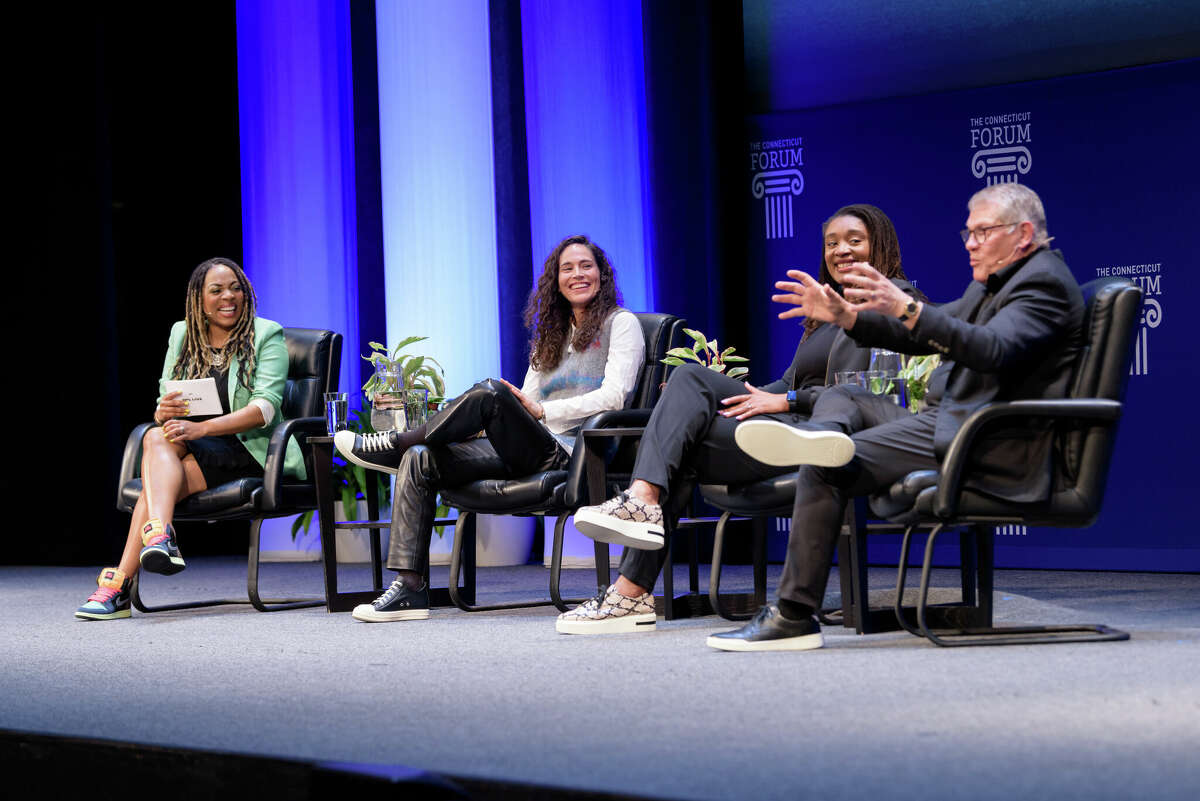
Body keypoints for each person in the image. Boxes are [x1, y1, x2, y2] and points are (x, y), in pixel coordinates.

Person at [709, 182, 1083, 651]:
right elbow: (926, 333)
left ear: (1023, 234)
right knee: (844, 397)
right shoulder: (994, 283)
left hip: (983, 436)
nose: (970, 243)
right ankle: (821, 434)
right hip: (950, 421)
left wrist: (907, 308)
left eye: (982, 233)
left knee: (827, 465)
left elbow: (992, 349)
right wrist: (849, 318)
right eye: (968, 233)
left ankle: (792, 616)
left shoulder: (1042, 283)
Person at [560, 204, 924, 634]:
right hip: (788, 428)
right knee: (688, 397)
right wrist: (727, 400)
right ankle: (638, 538)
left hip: (833, 436)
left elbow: (868, 392)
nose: (840, 250)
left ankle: (631, 578)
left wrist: (787, 400)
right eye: (831, 243)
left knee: (688, 413)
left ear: (879, 245)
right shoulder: (825, 311)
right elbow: (786, 383)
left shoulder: (897, 303)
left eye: (854, 241)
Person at [335, 234, 645, 622]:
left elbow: (614, 399)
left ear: (602, 274)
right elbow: (526, 402)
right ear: (556, 280)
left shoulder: (621, 323)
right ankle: (409, 589)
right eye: (567, 268)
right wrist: (484, 427)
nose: (578, 274)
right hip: (528, 447)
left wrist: (543, 411)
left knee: (492, 392)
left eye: (586, 266)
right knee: (421, 456)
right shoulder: (550, 335)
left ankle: (393, 444)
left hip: (573, 453)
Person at [76, 258, 304, 620]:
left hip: (250, 447)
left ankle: (119, 585)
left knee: (154, 484)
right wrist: (164, 411)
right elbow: (164, 399)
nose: (229, 296)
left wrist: (201, 429)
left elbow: (265, 409)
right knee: (156, 436)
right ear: (199, 299)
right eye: (217, 290)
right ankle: (159, 537)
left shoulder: (266, 334)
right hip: (193, 444)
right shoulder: (182, 334)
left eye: (236, 288)